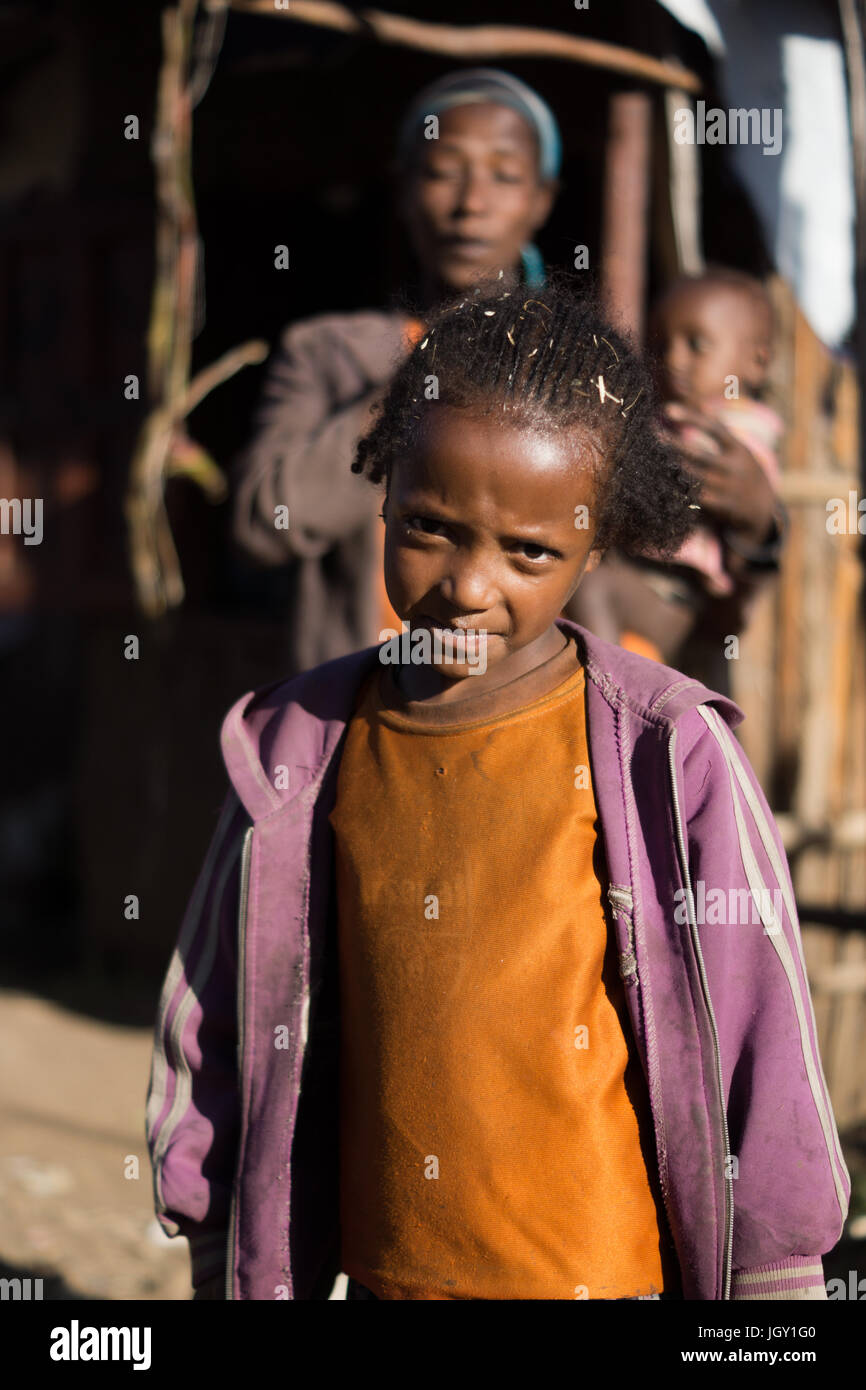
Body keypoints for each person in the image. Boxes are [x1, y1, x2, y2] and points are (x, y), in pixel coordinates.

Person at [146, 275, 848, 1300]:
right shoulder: (297, 744)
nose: (469, 585)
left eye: (528, 551)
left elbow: (760, 1035)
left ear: (595, 542)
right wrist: (219, 1244)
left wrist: (773, 1286)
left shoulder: (665, 753)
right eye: (429, 526)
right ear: (381, 488)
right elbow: (213, 1006)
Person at [231, 68, 560, 674]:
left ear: (541, 200)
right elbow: (263, 520)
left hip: (520, 721)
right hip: (357, 718)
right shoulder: (328, 353)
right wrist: (422, 379)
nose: (471, 203)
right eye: (442, 172)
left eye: (505, 176)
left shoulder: (567, 368)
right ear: (406, 190)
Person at [567, 268, 787, 682]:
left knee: (590, 588)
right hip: (649, 584)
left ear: (756, 363)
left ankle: (615, 703)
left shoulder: (736, 435)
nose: (673, 359)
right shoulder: (665, 419)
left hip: (674, 596)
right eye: (661, 343)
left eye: (696, 345)